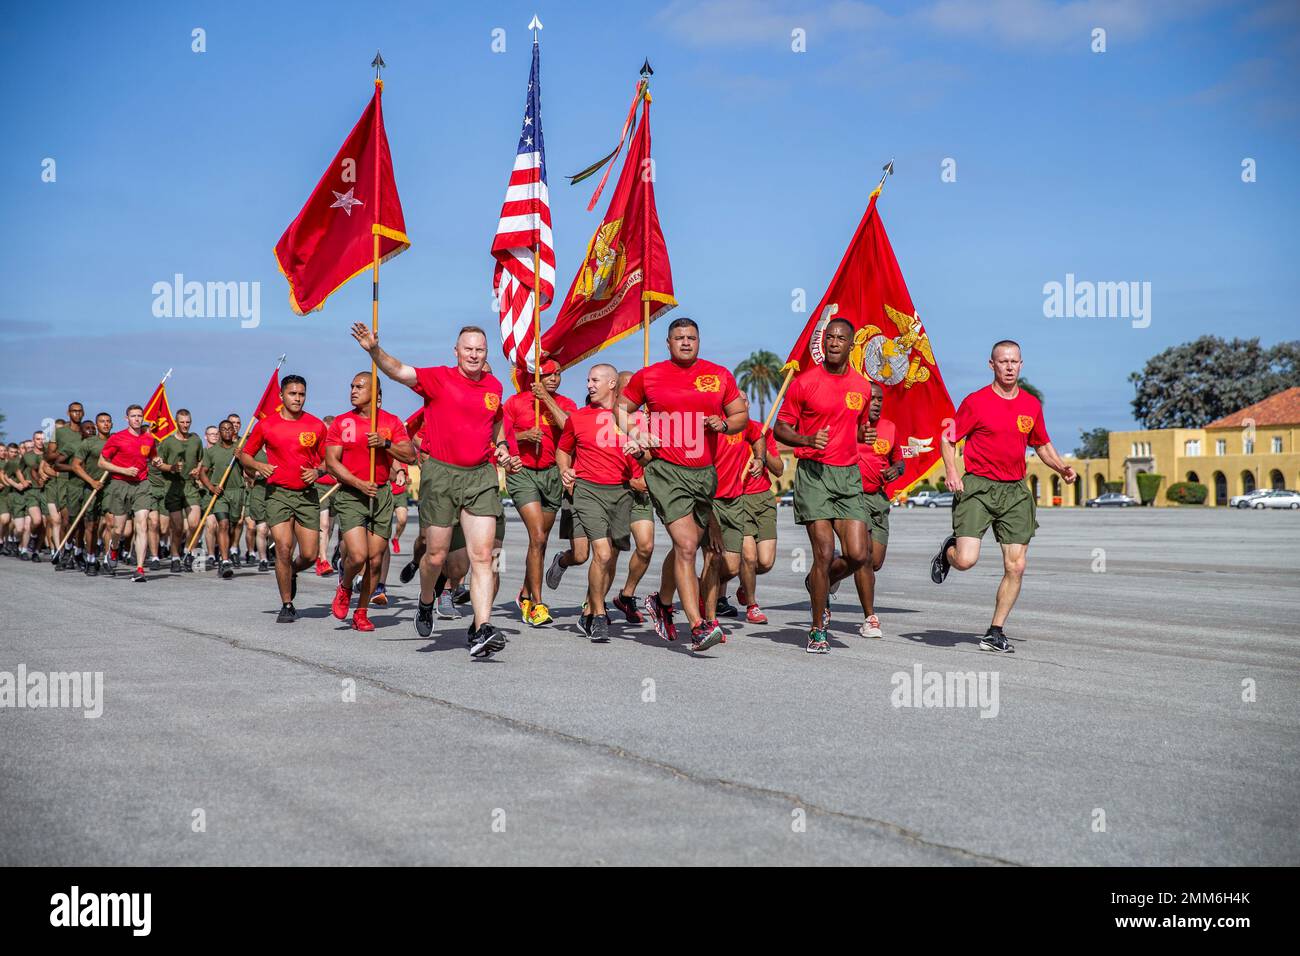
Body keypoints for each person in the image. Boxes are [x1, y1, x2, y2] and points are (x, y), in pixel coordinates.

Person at [352, 322, 516, 658]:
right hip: (440, 475)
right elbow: (398, 371)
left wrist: (500, 445)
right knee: (436, 555)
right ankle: (426, 601)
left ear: (486, 354)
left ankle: (482, 627)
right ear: (456, 351)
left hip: (481, 476)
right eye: (468, 348)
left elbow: (496, 421)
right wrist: (374, 351)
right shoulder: (438, 378)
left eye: (480, 349)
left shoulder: (494, 386)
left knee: (483, 556)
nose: (473, 354)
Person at [930, 340, 1076, 652]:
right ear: (992, 365)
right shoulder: (976, 402)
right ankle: (949, 551)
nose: (1009, 367)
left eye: (1014, 362)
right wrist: (952, 472)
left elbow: (1041, 443)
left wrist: (1061, 467)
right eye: (1002, 362)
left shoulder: (1031, 405)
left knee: (1017, 566)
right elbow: (948, 438)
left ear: (1021, 365)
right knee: (967, 560)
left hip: (1015, 492)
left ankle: (995, 631)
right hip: (979, 488)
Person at [620, 317, 749, 653]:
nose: (686, 342)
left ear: (699, 341)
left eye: (692, 337)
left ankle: (662, 602)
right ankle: (697, 626)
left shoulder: (719, 375)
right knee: (688, 545)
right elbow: (621, 408)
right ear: (668, 343)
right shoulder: (649, 376)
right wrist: (635, 432)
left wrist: (723, 424)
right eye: (679, 338)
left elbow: (739, 416)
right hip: (666, 471)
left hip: (704, 473)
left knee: (686, 547)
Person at [774, 316, 874, 654]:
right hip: (814, 475)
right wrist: (806, 438)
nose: (833, 342)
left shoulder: (861, 387)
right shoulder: (804, 382)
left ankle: (822, 581)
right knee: (823, 552)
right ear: (823, 342)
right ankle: (817, 629)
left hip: (848, 476)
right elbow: (780, 428)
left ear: (851, 344)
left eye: (841, 338)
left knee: (860, 556)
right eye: (829, 337)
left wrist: (865, 435)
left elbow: (856, 427)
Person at [324, 372, 416, 632]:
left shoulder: (391, 422)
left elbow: (410, 456)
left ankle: (361, 611)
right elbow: (332, 462)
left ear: (375, 393)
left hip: (381, 495)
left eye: (360, 386)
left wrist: (385, 444)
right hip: (352, 495)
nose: (353, 390)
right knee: (358, 555)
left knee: (375, 560)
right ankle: (344, 587)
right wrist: (357, 482)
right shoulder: (342, 422)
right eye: (351, 386)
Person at [555, 364, 636, 642]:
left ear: (612, 383)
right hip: (587, 490)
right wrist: (564, 469)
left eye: (595, 380)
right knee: (599, 554)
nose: (589, 385)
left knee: (610, 557)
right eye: (588, 380)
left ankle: (589, 610)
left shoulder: (629, 418)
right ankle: (599, 615)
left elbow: (647, 455)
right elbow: (563, 449)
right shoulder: (577, 418)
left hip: (622, 492)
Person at [239, 375, 328, 622]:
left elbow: (327, 461)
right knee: (283, 548)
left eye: (301, 394)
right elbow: (245, 455)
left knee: (309, 555)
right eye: (292, 394)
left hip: (307, 495)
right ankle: (287, 604)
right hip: (277, 494)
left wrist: (318, 471)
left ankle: (292, 573)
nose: (297, 398)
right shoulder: (267, 425)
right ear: (281, 396)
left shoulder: (316, 425)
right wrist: (258, 464)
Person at [503, 359, 576, 627]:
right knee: (537, 535)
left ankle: (523, 593)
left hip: (551, 474)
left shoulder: (565, 402)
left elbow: (571, 428)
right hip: (522, 473)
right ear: (535, 376)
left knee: (540, 542)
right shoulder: (515, 402)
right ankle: (537, 604)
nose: (554, 378)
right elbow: (498, 435)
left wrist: (546, 398)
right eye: (548, 375)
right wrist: (522, 437)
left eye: (558, 373)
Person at [853, 382, 904, 638]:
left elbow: (899, 461)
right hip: (853, 497)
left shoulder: (890, 428)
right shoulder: (849, 426)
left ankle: (834, 569)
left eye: (879, 400)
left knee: (875, 562)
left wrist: (897, 469)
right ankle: (870, 618)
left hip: (879, 499)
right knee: (863, 555)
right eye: (871, 398)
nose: (876, 403)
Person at [98, 404, 158, 582]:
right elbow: (101, 463)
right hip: (120, 483)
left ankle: (140, 569)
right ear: (127, 418)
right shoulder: (117, 438)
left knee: (142, 524)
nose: (137, 419)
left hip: (142, 485)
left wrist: (156, 460)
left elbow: (152, 456)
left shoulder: (148, 438)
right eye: (133, 416)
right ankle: (114, 549)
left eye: (140, 416)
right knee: (119, 530)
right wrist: (123, 470)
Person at [735, 421, 784, 624]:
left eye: (745, 402)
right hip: (738, 497)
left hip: (763, 498)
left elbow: (779, 469)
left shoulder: (762, 430)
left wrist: (761, 454)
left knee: (765, 562)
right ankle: (752, 605)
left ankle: (745, 584)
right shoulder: (726, 430)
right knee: (748, 556)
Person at [156, 409, 204, 572]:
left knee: (195, 524)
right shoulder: (168, 442)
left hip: (190, 486)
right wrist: (172, 468)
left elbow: (200, 459)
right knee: (177, 527)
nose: (185, 425)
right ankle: (175, 556)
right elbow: (158, 463)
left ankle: (189, 552)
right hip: (173, 486)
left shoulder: (196, 441)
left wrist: (197, 470)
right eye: (182, 422)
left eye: (188, 422)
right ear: (176, 422)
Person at [196, 420, 241, 579]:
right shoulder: (212, 451)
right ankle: (225, 561)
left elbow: (249, 470)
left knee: (233, 526)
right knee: (223, 524)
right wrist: (211, 487)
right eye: (223, 429)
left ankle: (227, 552)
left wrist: (241, 457)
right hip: (220, 493)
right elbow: (202, 472)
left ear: (233, 431)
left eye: (230, 429)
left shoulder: (239, 450)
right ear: (220, 433)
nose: (227, 431)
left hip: (237, 492)